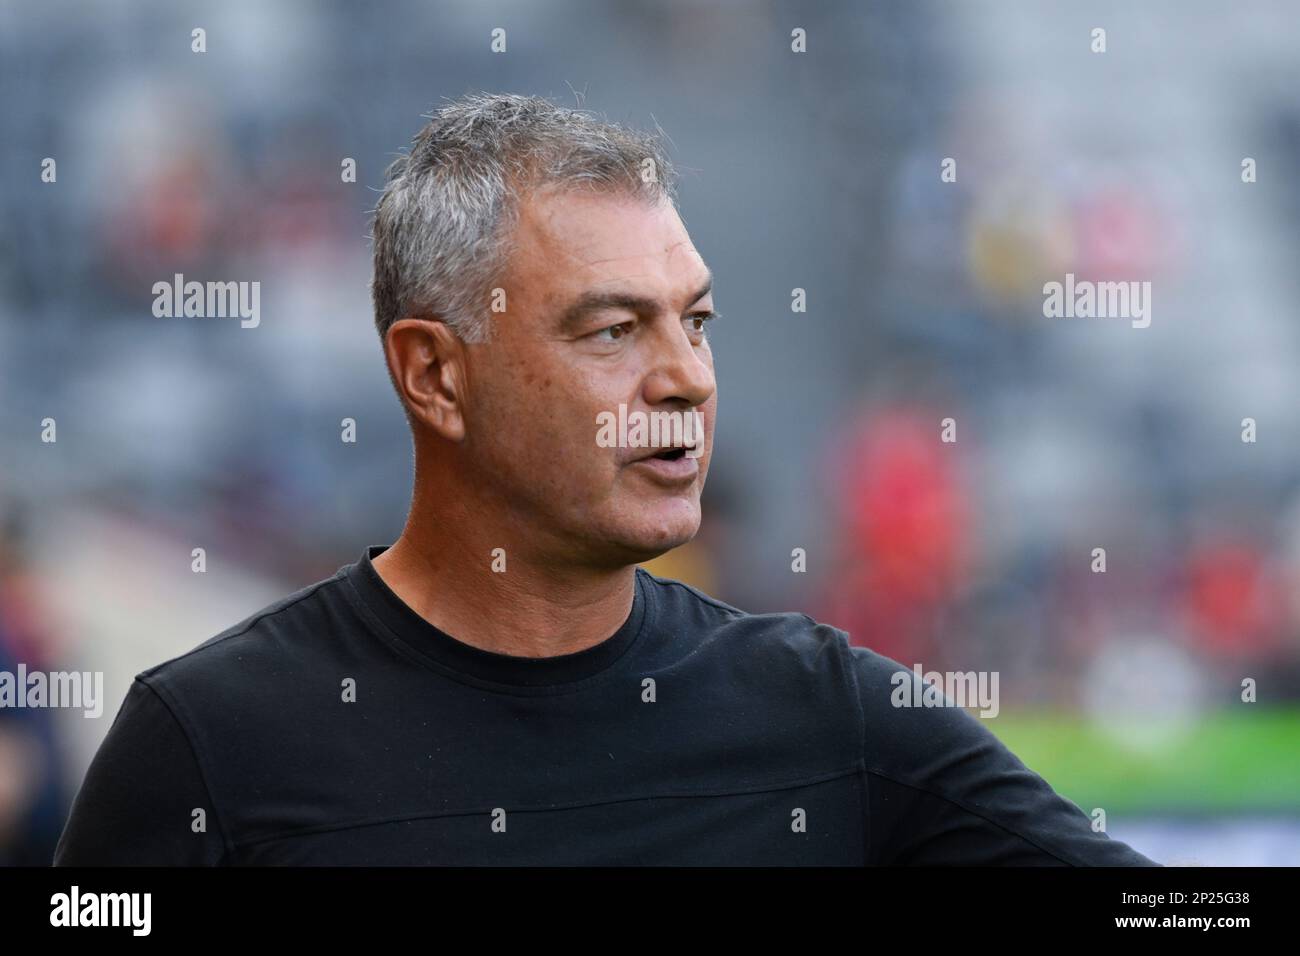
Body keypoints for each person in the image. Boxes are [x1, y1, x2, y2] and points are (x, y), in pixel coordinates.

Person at [53, 92, 1157, 865]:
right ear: (436, 373)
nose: (684, 378)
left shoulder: (824, 712)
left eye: (698, 322)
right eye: (614, 329)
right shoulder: (206, 741)